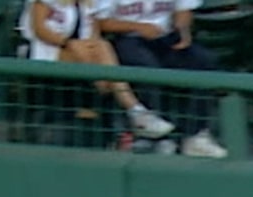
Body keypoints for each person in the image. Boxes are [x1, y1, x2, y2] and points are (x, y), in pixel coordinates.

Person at [17, 0, 176, 141]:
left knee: (102, 48)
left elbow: (93, 35)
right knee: (104, 65)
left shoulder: (88, 4)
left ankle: (132, 113)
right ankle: (136, 111)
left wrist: (85, 48)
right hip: (42, 49)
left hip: (76, 51)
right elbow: (39, 29)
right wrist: (69, 43)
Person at [96, 0, 229, 157]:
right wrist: (138, 27)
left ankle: (195, 136)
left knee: (202, 61)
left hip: (165, 37)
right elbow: (99, 23)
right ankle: (155, 136)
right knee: (145, 65)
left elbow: (184, 9)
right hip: (127, 38)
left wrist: (182, 28)